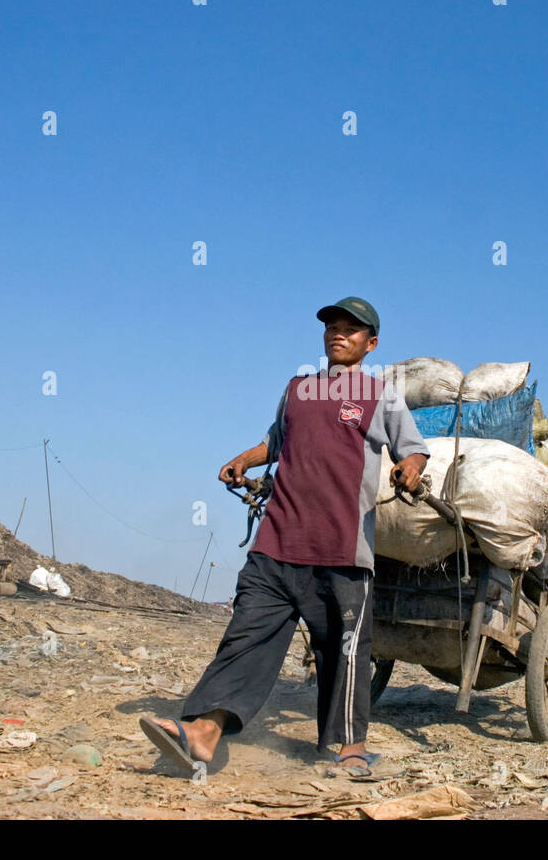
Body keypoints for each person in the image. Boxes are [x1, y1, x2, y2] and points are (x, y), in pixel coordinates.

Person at [141, 297, 429, 778]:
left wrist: (409, 468)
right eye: (332, 328)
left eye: (350, 330)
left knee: (344, 649)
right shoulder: (298, 390)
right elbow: (277, 440)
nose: (338, 334)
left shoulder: (381, 396)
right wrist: (244, 459)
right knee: (245, 635)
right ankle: (205, 732)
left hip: (342, 550)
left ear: (370, 344)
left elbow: (414, 449)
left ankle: (349, 746)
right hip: (277, 542)